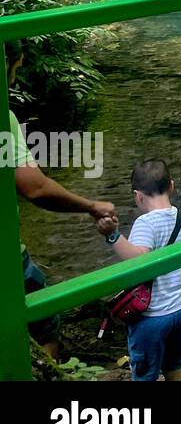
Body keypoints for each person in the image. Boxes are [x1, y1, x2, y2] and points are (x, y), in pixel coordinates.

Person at [4, 48, 117, 360]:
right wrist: (92, 206)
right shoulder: (3, 117)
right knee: (43, 322)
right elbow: (36, 188)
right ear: (11, 64)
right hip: (6, 258)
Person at [98, 159, 181, 382]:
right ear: (171, 186)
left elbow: (139, 261)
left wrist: (113, 236)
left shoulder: (146, 223)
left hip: (152, 316)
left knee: (145, 375)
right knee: (176, 366)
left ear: (138, 196)